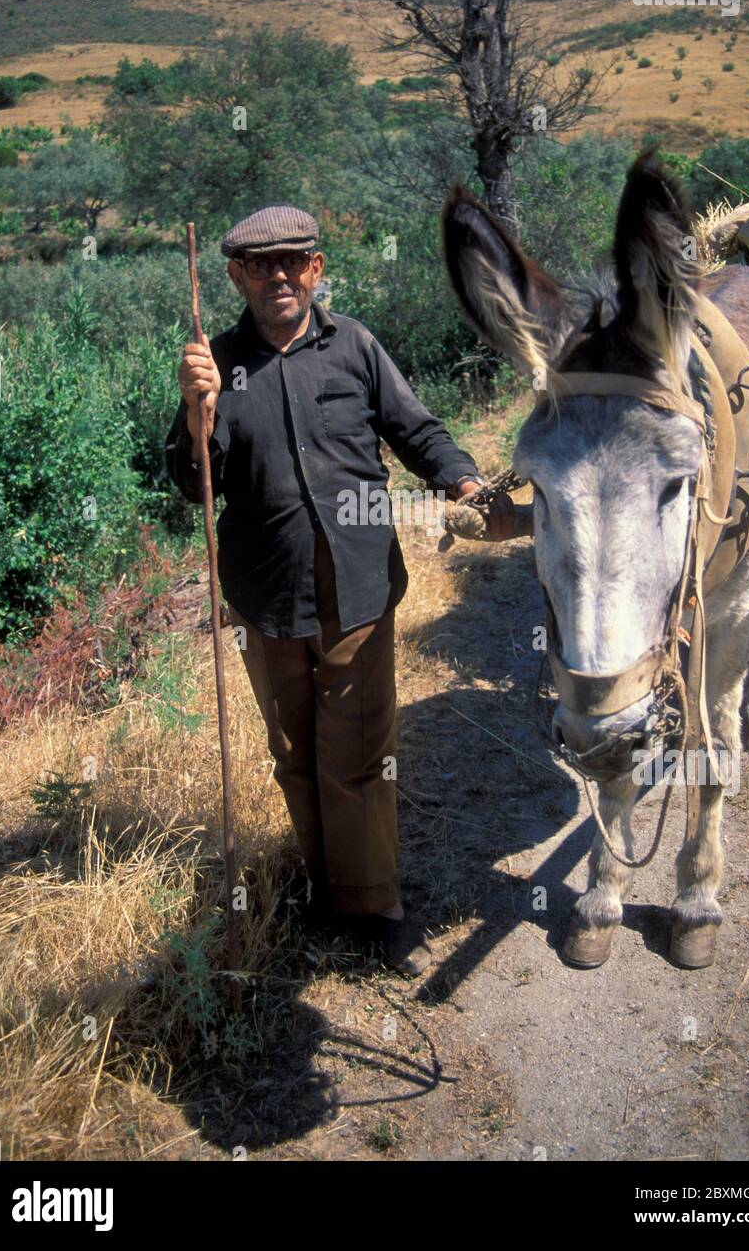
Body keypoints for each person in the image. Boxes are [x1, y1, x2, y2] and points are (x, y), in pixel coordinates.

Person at [165, 204, 514, 975]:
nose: (279, 275)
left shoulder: (352, 344)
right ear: (236, 276)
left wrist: (460, 479)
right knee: (294, 753)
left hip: (356, 584)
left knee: (356, 754)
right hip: (267, 593)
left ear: (316, 270)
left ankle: (374, 901)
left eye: (294, 261)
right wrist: (197, 412)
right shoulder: (215, 364)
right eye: (262, 265)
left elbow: (414, 428)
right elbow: (193, 489)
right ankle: (327, 887)